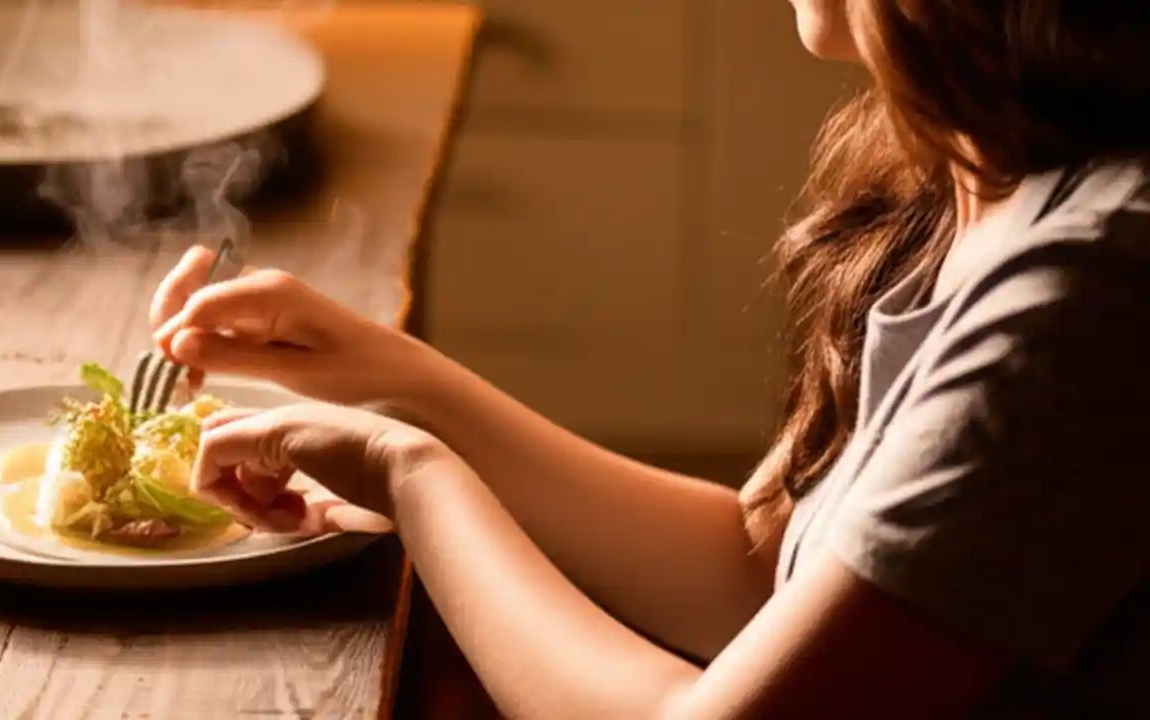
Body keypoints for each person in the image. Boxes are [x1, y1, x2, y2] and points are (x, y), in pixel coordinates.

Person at [149, 2, 1149, 717]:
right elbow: (757, 574)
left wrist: (412, 473)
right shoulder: (984, 171)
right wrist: (400, 380)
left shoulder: (1080, 302)